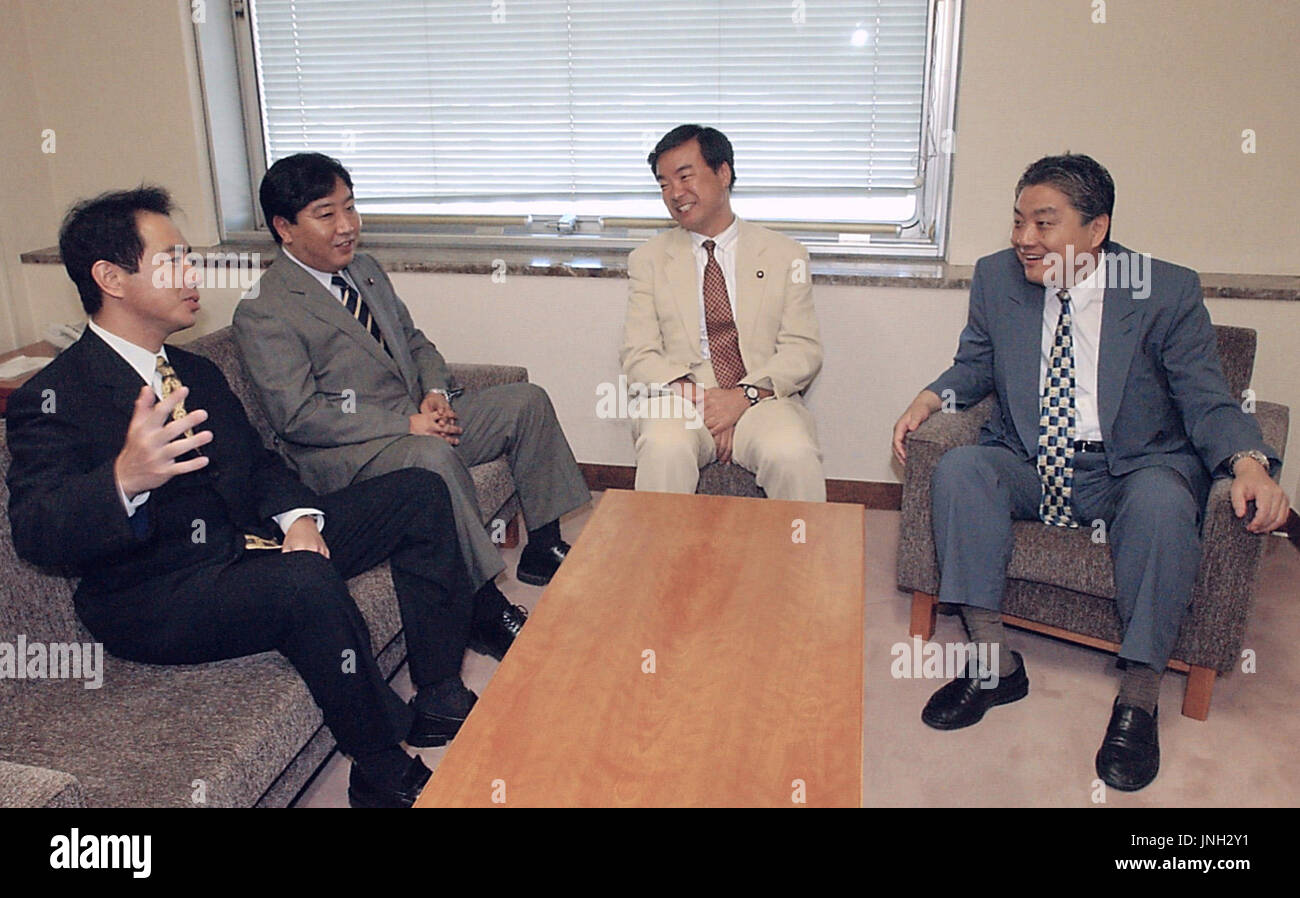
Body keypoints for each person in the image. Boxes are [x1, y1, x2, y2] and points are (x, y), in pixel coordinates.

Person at [5, 187, 499, 808]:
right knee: (303, 583)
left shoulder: (194, 371)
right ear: (112, 278)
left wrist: (298, 517)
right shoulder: (52, 396)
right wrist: (124, 479)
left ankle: (438, 693)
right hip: (157, 596)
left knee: (420, 493)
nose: (194, 274)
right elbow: (36, 531)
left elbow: (258, 464)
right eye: (174, 260)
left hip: (249, 546)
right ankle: (378, 768)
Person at [892, 153, 1289, 791]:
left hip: (1130, 468)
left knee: (1164, 507)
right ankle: (994, 665)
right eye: (1019, 221)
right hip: (1029, 457)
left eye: (1044, 224)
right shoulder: (999, 278)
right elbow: (975, 364)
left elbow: (1207, 398)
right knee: (961, 470)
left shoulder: (1163, 289)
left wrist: (1249, 462)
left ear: (1096, 230)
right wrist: (932, 397)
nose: (1024, 239)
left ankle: (1137, 698)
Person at [234, 153, 590, 611]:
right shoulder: (265, 308)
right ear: (284, 227)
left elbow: (415, 343)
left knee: (526, 402)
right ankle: (482, 606)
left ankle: (543, 546)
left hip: (417, 420)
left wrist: (434, 394)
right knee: (430, 455)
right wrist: (406, 425)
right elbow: (298, 416)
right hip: (349, 454)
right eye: (326, 215)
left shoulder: (365, 271)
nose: (347, 225)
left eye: (350, 206)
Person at [620, 124, 825, 501]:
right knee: (663, 446)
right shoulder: (648, 260)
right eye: (664, 184)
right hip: (681, 397)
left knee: (792, 453)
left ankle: (803, 558)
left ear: (723, 173)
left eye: (685, 176)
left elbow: (803, 350)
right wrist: (705, 402)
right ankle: (659, 560)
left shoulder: (785, 255)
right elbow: (639, 355)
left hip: (762, 396)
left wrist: (742, 397)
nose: (675, 193)